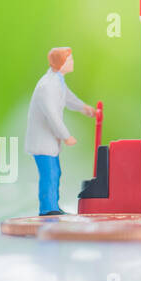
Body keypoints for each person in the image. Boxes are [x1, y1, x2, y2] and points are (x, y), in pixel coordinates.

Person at [25, 47, 95, 215]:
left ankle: (52, 207)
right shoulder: (47, 86)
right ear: (60, 63)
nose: (72, 63)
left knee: (55, 172)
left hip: (49, 141)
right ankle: (48, 209)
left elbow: (68, 98)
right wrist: (66, 136)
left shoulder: (57, 81)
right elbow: (52, 115)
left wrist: (83, 108)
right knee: (50, 174)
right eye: (69, 60)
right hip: (43, 141)